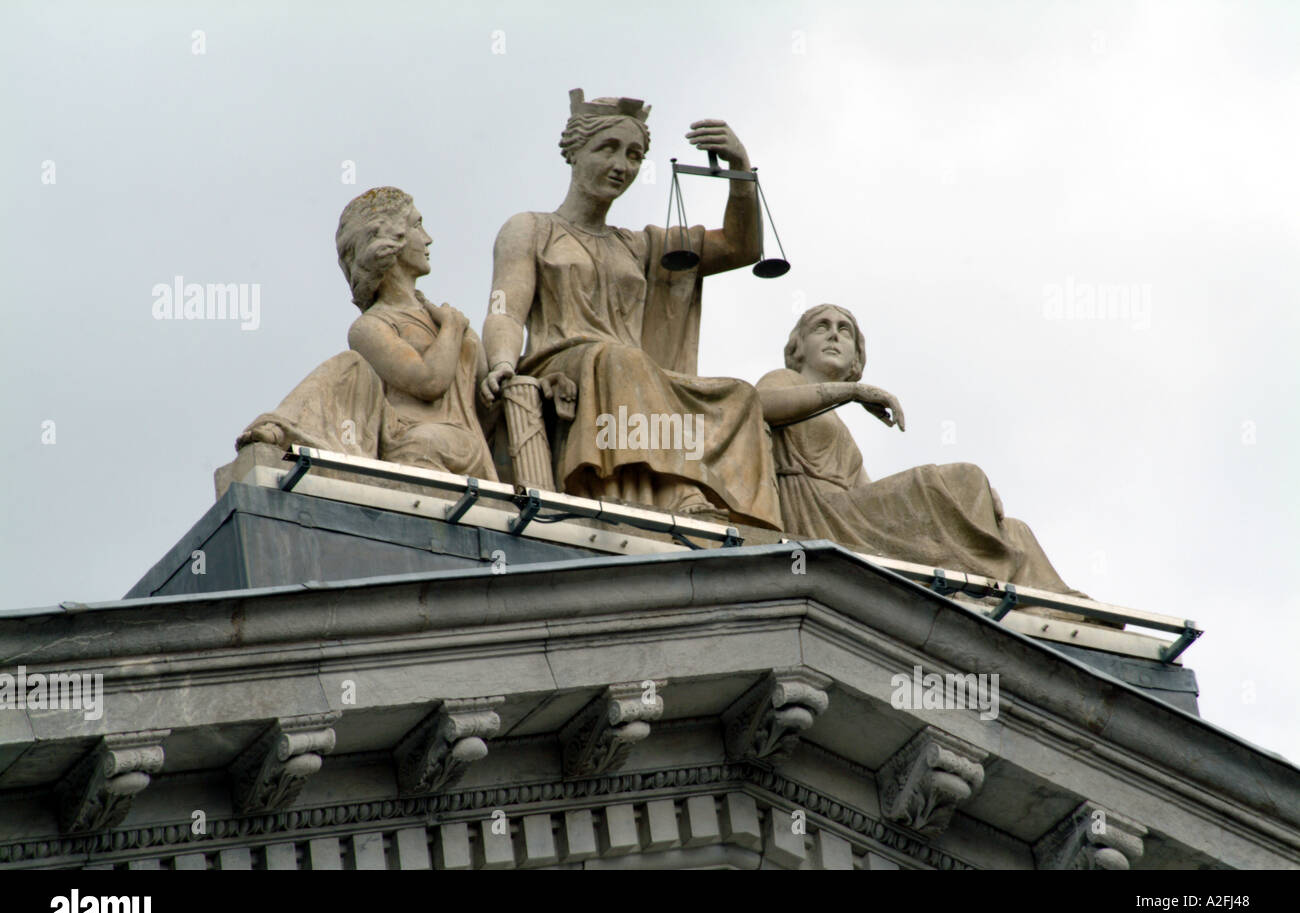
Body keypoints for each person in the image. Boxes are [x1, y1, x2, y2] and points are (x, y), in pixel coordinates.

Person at [477, 89, 780, 528]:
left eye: (635, 155)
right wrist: (502, 362)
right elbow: (505, 307)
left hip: (633, 375)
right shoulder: (531, 229)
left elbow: (741, 246)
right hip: (563, 363)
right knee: (618, 358)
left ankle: (740, 518)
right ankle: (673, 491)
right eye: (609, 149)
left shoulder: (639, 246)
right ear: (575, 152)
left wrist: (739, 168)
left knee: (740, 395)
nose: (622, 166)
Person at [756, 303, 1085, 594]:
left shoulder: (841, 429)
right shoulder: (785, 379)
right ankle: (980, 579)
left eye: (844, 330)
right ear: (798, 348)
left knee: (1013, 529)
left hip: (845, 517)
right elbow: (759, 406)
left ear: (856, 357)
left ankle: (1047, 604)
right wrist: (852, 392)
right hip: (816, 516)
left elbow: (869, 497)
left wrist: (980, 499)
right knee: (965, 479)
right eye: (821, 327)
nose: (833, 335)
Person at [235, 187, 497, 481]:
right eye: (417, 225)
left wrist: (514, 373)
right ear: (389, 240)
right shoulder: (372, 327)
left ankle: (286, 429)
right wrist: (451, 328)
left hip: (462, 446)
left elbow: (491, 401)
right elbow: (429, 382)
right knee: (351, 365)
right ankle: (285, 427)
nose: (428, 238)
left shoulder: (447, 319)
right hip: (412, 442)